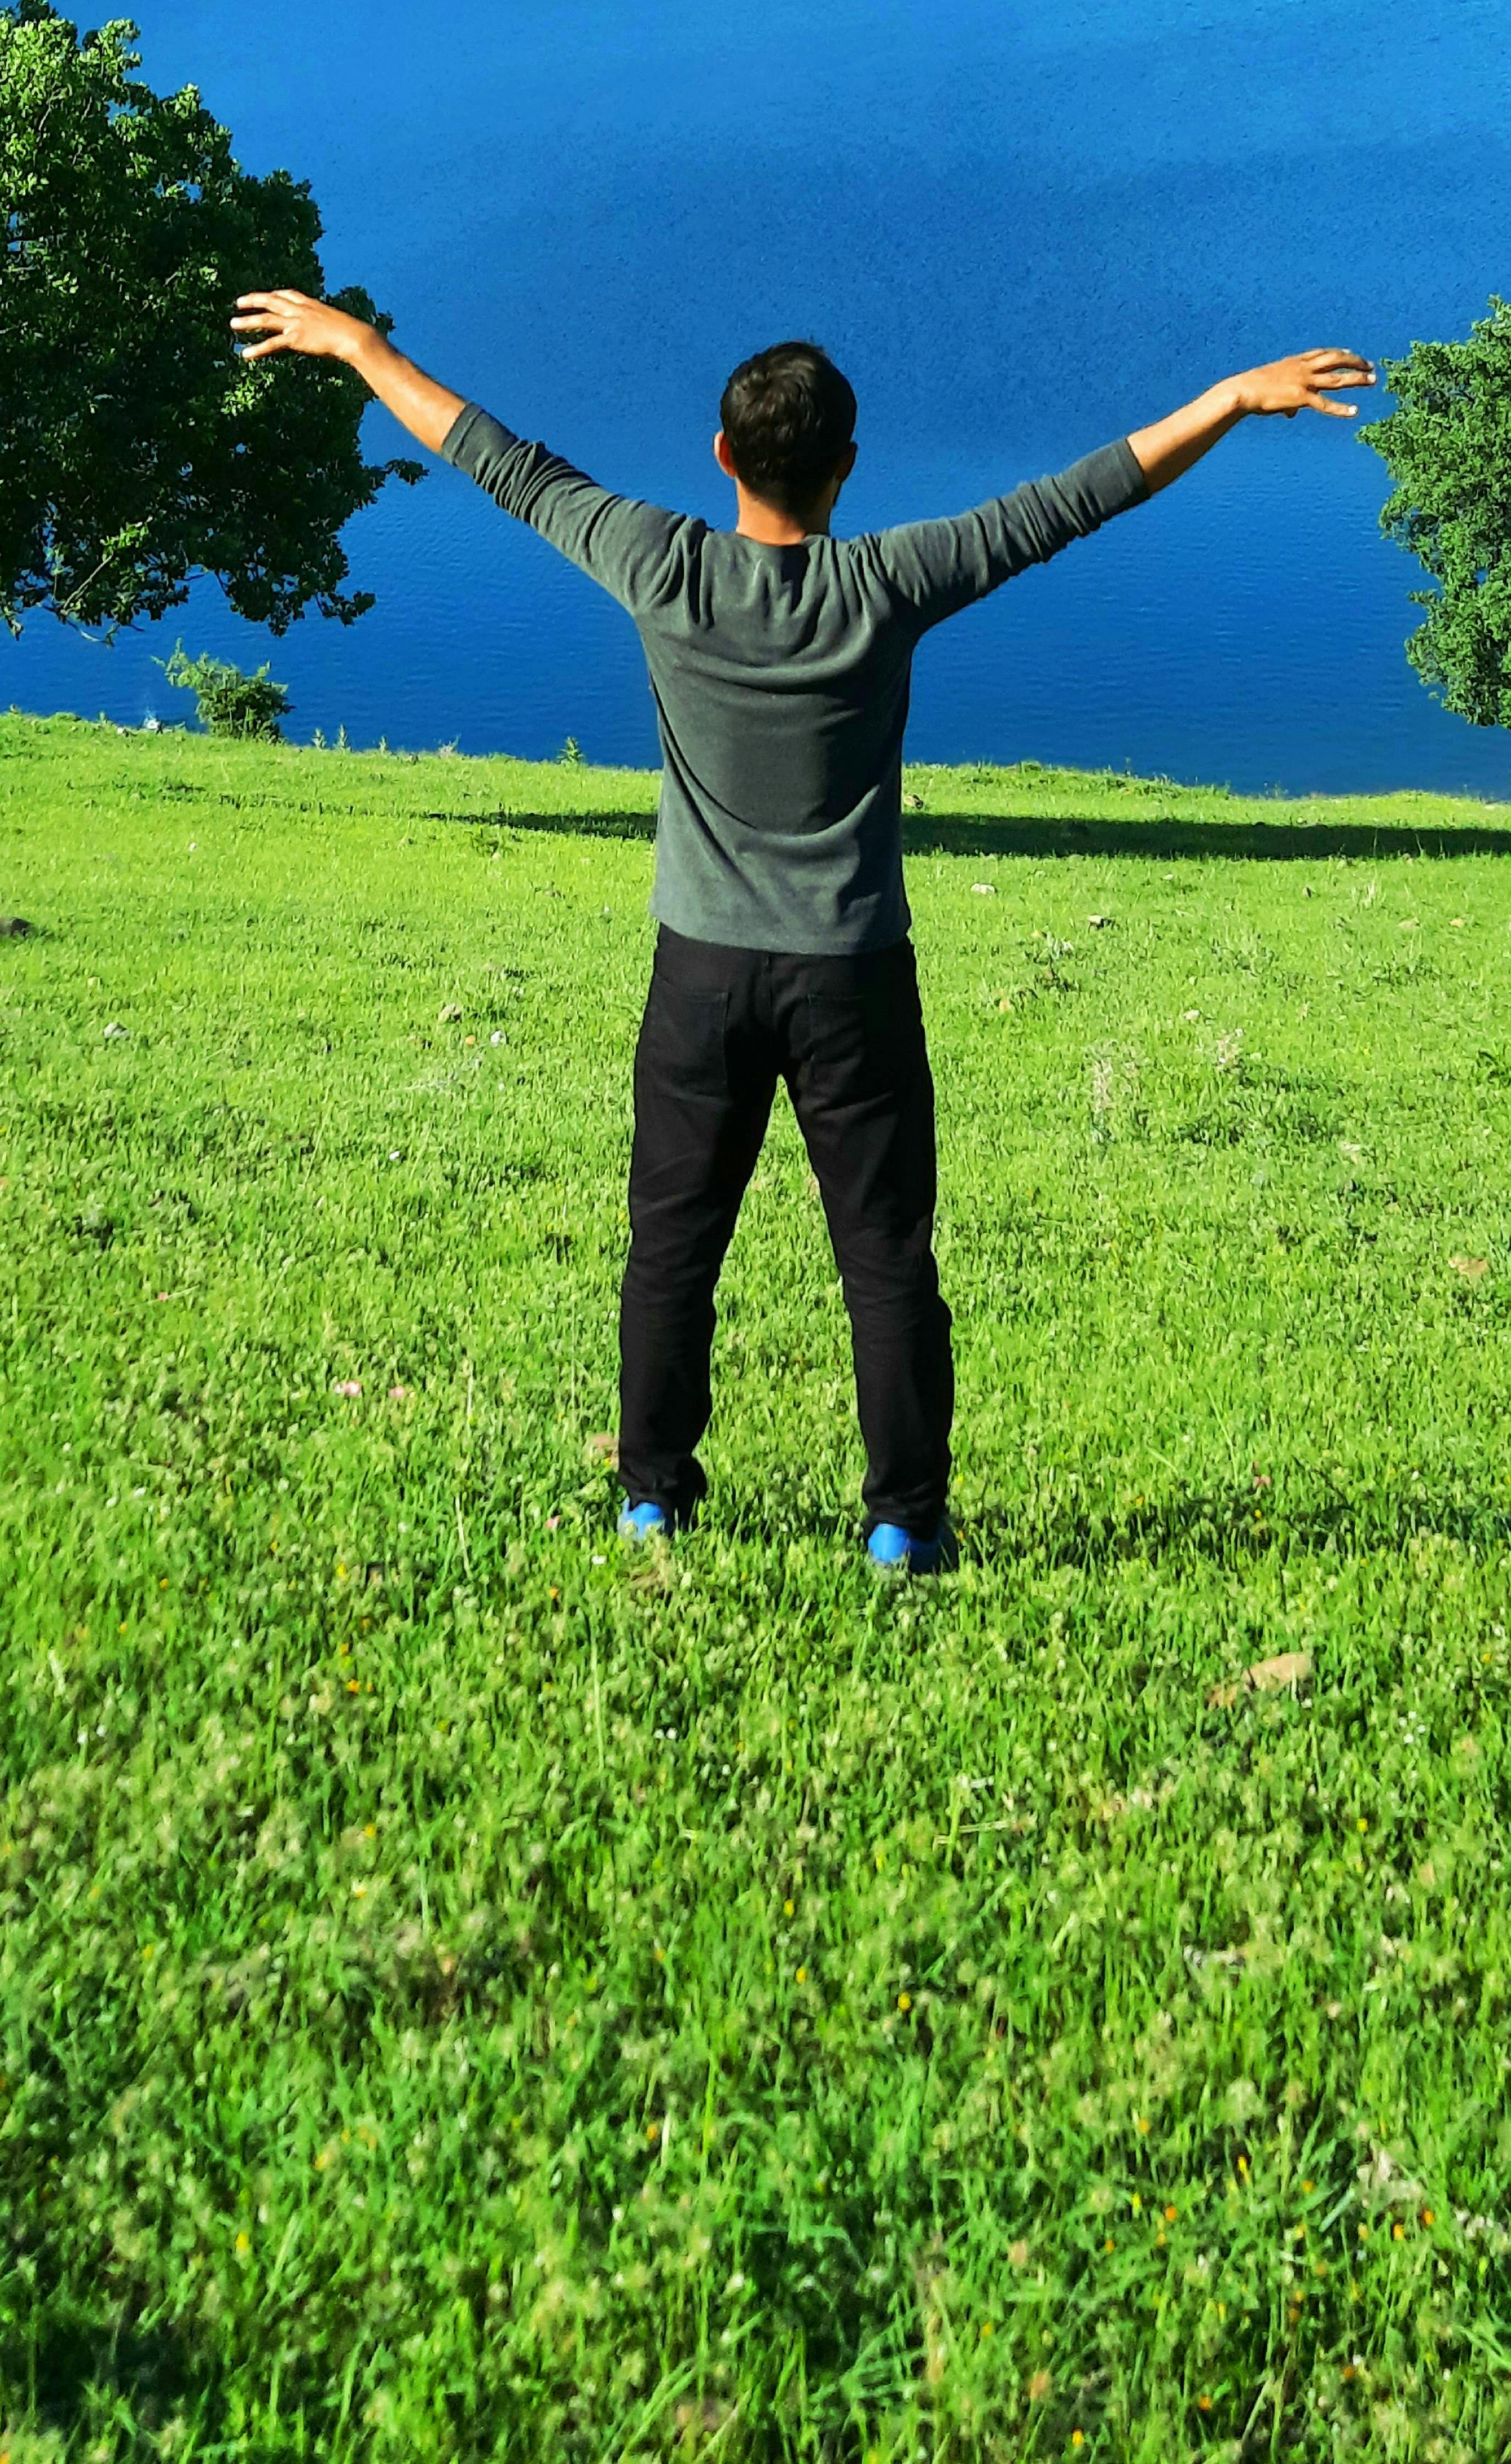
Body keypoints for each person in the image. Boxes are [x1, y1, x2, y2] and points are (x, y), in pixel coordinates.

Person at [222, 292, 1366, 1567]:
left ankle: (652, 1493)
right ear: (847, 470)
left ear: (723, 460)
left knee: (673, 1244)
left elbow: (501, 461)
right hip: (853, 979)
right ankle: (902, 1526)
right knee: (884, 1257)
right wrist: (1227, 398)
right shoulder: (886, 583)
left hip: (699, 977)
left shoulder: (659, 565)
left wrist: (361, 348)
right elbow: (1079, 498)